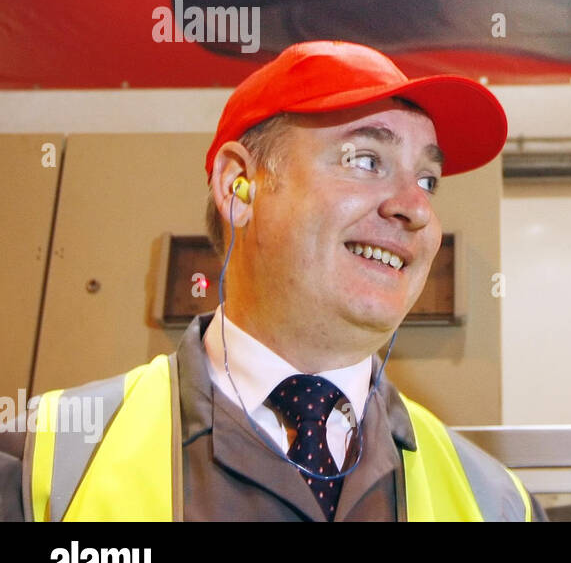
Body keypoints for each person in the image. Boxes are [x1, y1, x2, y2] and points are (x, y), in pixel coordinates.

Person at [0, 41, 541, 522]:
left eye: (428, 178)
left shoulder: (499, 503)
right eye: (366, 159)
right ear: (239, 186)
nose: (414, 208)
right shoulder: (40, 468)